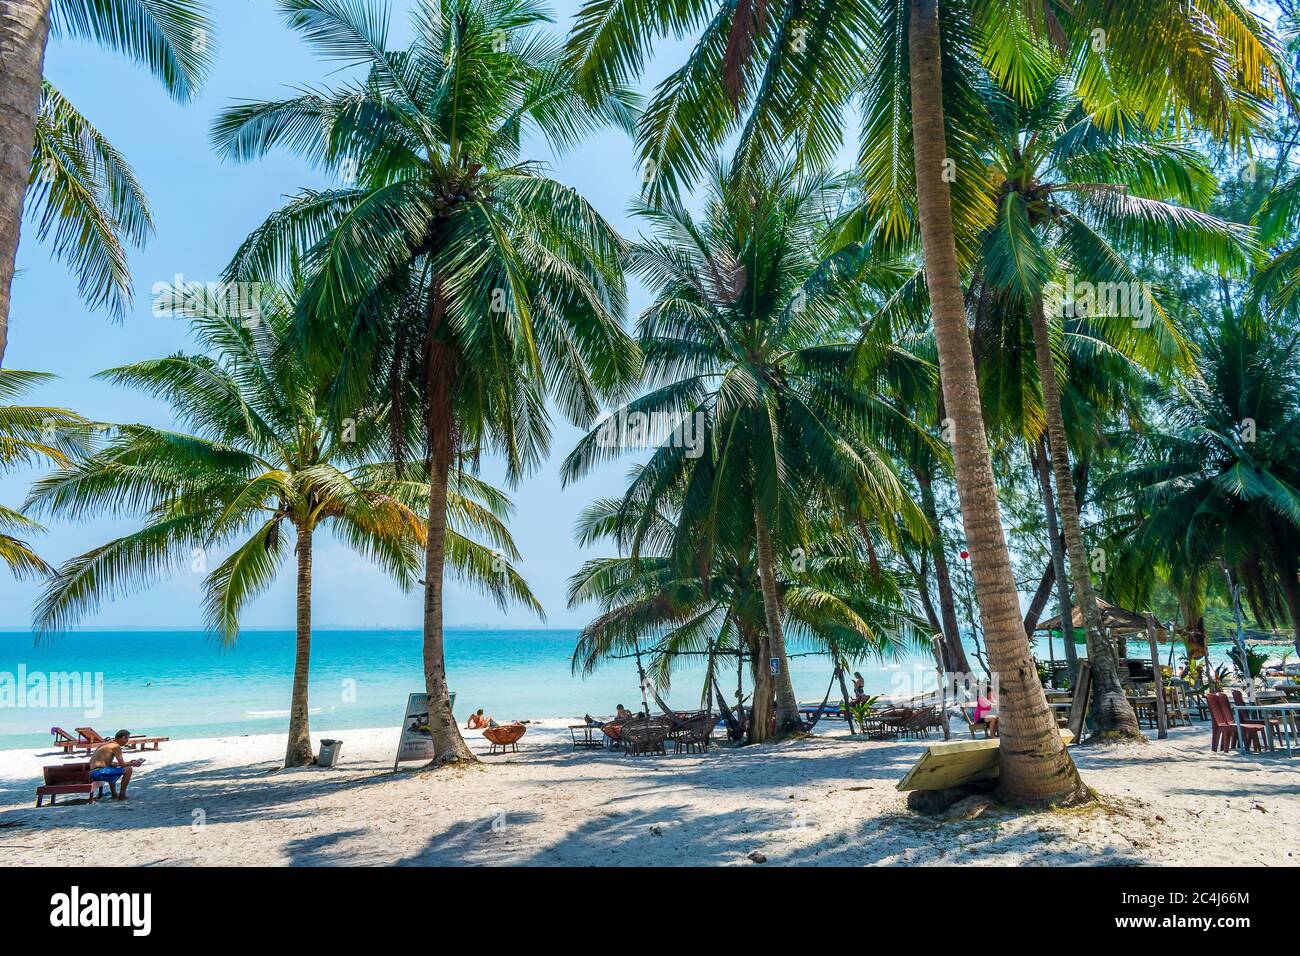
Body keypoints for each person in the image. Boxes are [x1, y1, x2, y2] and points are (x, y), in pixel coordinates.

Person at [86, 729, 144, 800]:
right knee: (128, 769)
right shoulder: (116, 746)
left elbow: (109, 763)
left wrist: (129, 762)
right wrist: (133, 764)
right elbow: (123, 764)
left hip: (93, 772)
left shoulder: (106, 744)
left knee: (113, 767)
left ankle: (114, 794)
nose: (127, 741)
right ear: (123, 738)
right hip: (98, 772)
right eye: (127, 738)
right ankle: (122, 796)